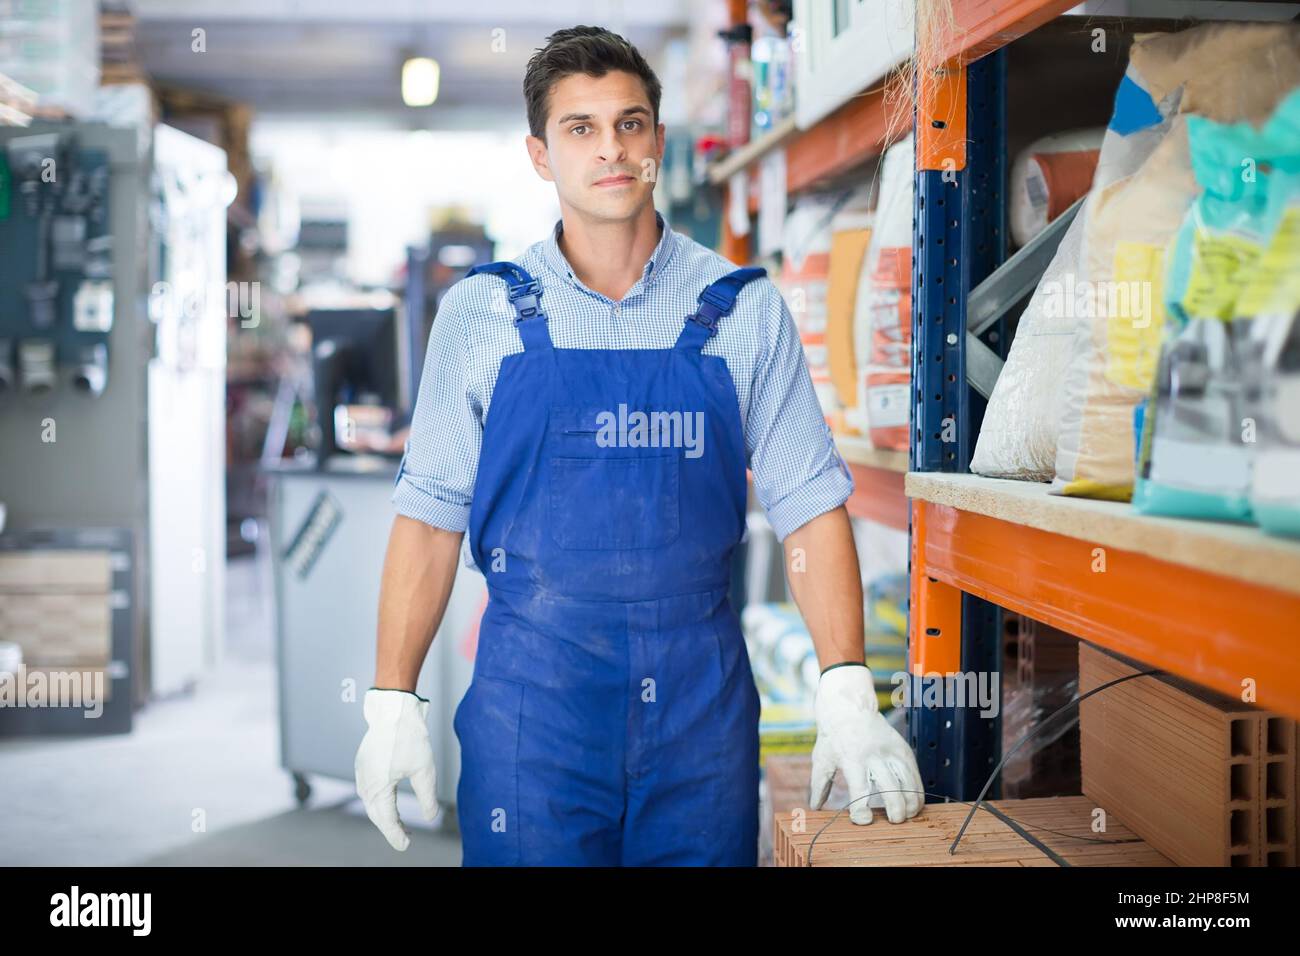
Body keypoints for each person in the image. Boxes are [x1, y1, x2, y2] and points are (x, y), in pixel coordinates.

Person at [354, 24, 923, 866]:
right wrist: (392, 701)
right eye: (580, 128)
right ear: (541, 154)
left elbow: (808, 507)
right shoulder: (481, 316)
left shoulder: (740, 310)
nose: (611, 149)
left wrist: (845, 687)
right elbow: (431, 518)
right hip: (533, 721)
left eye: (630, 123)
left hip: (700, 720)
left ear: (658, 139)